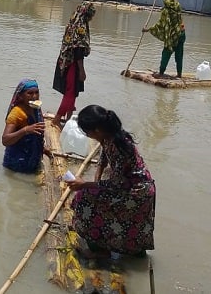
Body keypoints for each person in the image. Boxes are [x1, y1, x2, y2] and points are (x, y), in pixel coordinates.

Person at [64, 105, 156, 259]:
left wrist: (85, 185)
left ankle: (99, 249)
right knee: (92, 193)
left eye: (87, 132)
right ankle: (105, 242)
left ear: (97, 130)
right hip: (127, 186)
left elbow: (116, 184)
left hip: (137, 192)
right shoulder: (107, 137)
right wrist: (96, 179)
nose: (87, 135)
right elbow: (103, 158)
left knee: (84, 197)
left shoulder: (120, 146)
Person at [53, 1, 96, 124]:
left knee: (72, 91)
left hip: (65, 61)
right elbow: (78, 51)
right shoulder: (80, 27)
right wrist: (82, 70)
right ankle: (56, 120)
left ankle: (68, 118)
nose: (92, 18)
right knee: (70, 93)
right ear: (87, 15)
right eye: (91, 16)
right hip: (71, 63)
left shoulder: (73, 23)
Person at [1, 79, 48, 173]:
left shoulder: (36, 108)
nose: (34, 96)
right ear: (21, 96)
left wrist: (44, 149)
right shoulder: (17, 113)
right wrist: (25, 130)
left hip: (32, 160)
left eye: (36, 92)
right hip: (16, 164)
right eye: (29, 93)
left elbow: (37, 134)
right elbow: (5, 140)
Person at [143, 0, 185, 79]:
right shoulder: (177, 6)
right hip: (181, 34)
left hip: (172, 37)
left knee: (166, 52)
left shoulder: (166, 12)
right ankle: (179, 74)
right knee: (179, 54)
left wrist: (147, 29)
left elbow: (160, 25)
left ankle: (161, 73)